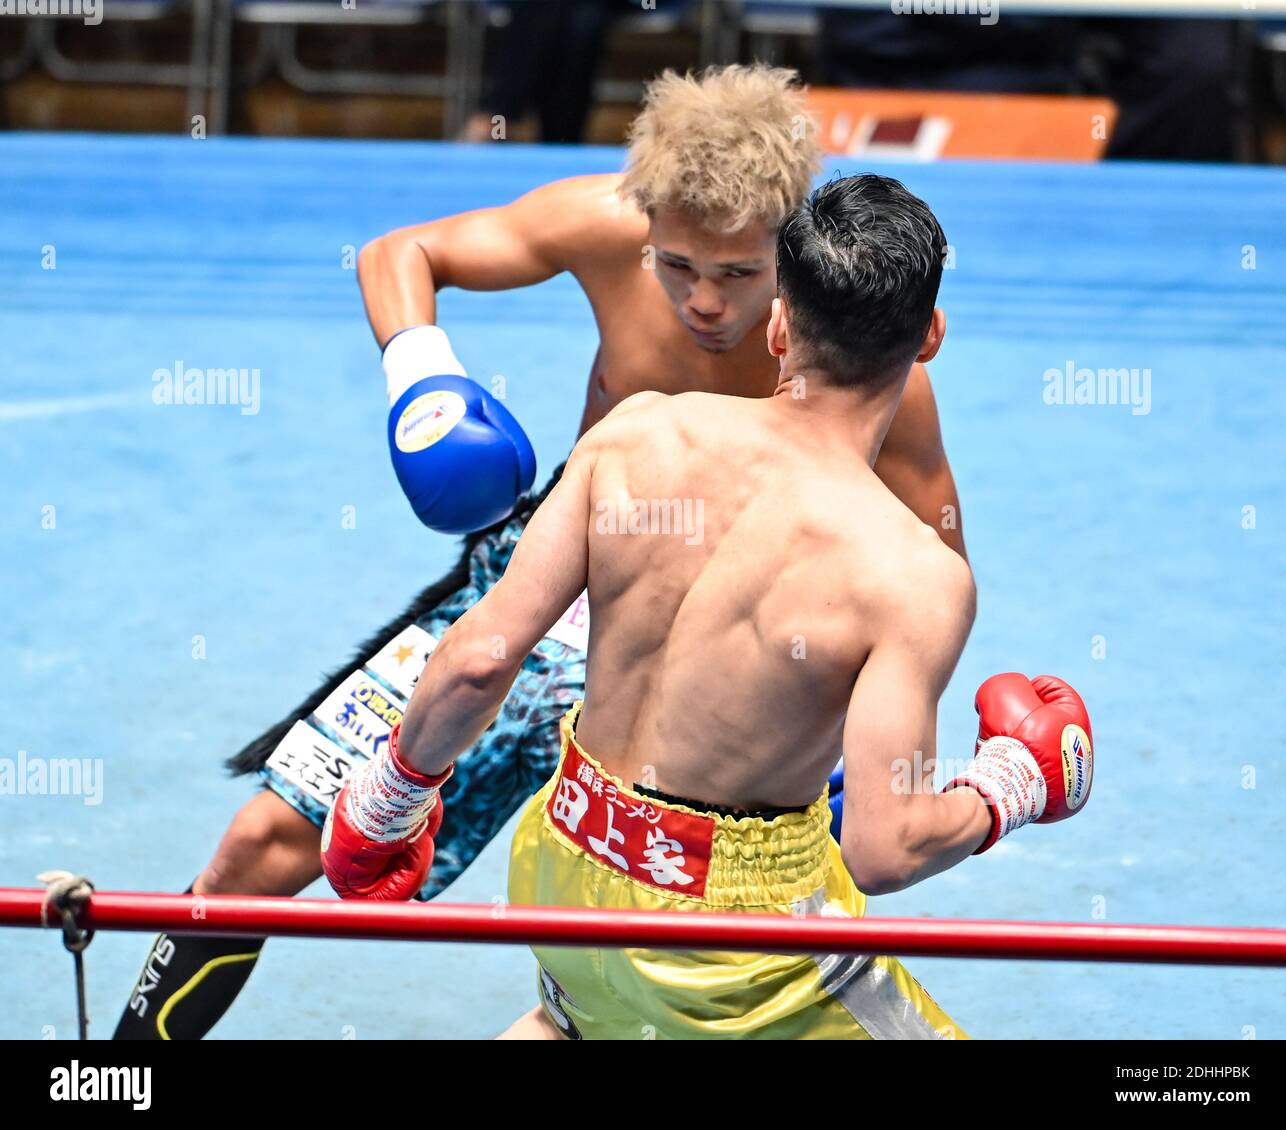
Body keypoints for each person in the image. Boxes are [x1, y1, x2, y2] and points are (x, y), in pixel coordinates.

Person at [114, 65, 967, 1040]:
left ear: (790, 269)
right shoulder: (601, 225)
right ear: (641, 226)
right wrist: (423, 384)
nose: (700, 300)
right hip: (560, 577)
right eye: (675, 265)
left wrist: (865, 727)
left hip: (738, 652)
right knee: (257, 849)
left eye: (736, 274)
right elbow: (404, 251)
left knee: (677, 968)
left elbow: (930, 564)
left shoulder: (877, 381)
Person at [322, 174, 1094, 1040]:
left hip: (564, 855)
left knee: (579, 1024)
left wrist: (387, 798)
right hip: (733, 935)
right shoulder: (914, 575)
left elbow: (477, 659)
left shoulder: (634, 434)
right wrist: (1009, 787)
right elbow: (883, 848)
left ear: (777, 324)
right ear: (931, 340)